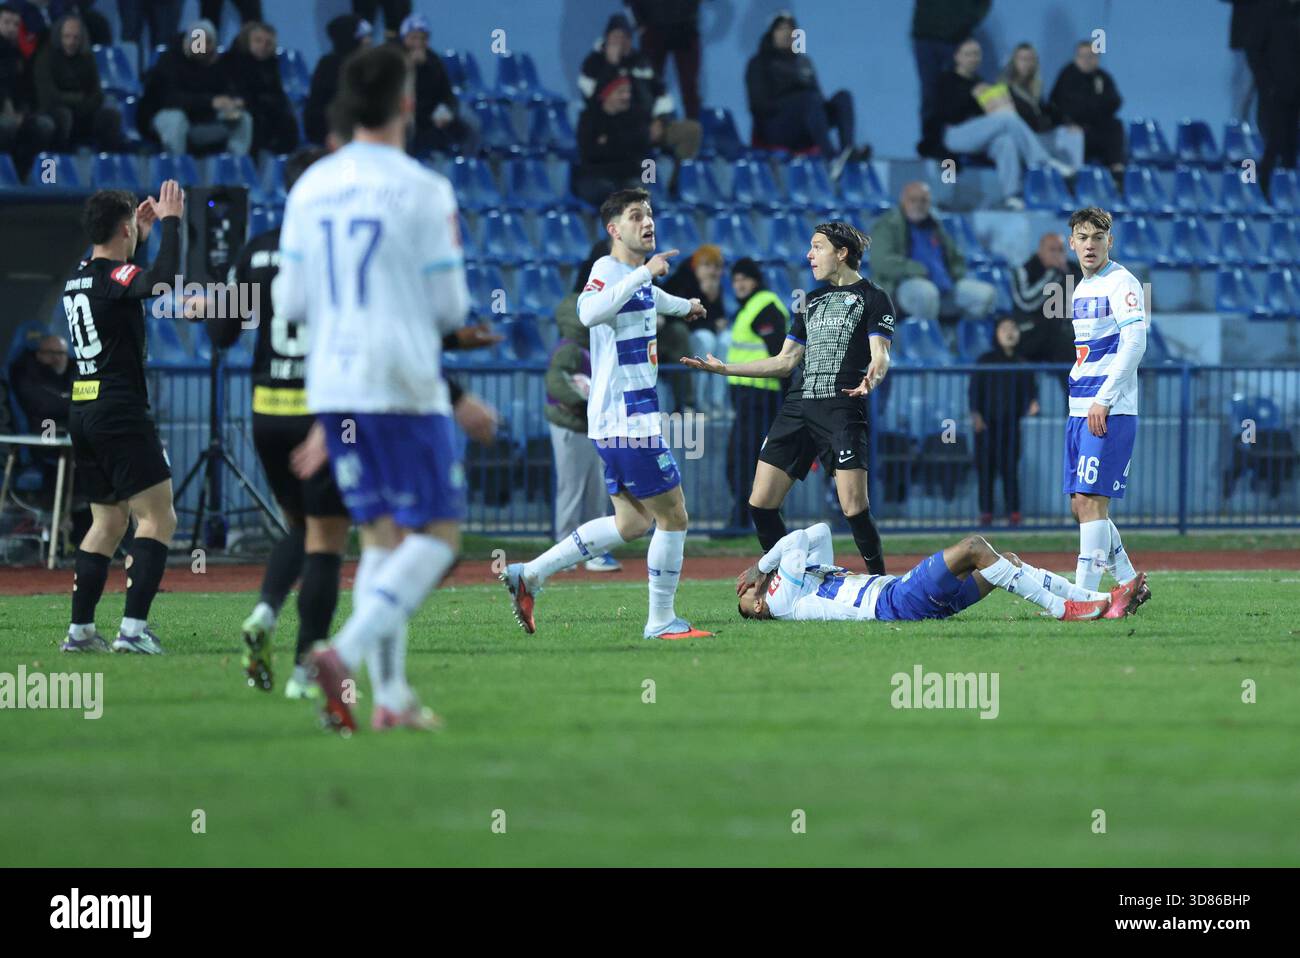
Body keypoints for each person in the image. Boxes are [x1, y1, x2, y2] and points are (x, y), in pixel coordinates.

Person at [272, 44, 470, 732]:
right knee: (439, 535)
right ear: (407, 103)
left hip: (333, 386)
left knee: (381, 539)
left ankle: (390, 699)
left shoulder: (310, 187)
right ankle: (343, 654)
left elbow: (291, 301)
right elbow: (450, 307)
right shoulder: (424, 188)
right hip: (402, 380)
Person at [502, 187, 713, 641]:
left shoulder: (637, 279)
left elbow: (657, 299)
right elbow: (589, 311)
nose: (648, 222)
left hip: (624, 421)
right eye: (637, 215)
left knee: (632, 523)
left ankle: (530, 574)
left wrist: (688, 306)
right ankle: (660, 621)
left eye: (651, 214)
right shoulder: (607, 270)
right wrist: (645, 275)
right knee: (674, 516)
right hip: (626, 421)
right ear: (615, 229)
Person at [684, 221, 895, 574]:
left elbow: (881, 353)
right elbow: (785, 362)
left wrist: (875, 373)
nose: (809, 255)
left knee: (853, 507)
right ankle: (790, 577)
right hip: (798, 406)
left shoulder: (873, 297)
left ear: (841, 253)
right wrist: (725, 369)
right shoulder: (809, 302)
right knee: (760, 503)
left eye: (817, 247)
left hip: (841, 406)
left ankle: (882, 583)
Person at [59, 180, 187, 655]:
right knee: (158, 517)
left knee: (107, 523)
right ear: (124, 226)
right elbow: (161, 282)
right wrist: (172, 223)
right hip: (119, 410)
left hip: (83, 409)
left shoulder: (79, 276)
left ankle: (80, 633)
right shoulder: (114, 279)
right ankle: (133, 633)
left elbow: (118, 281)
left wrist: (142, 237)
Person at [736, 523, 1147, 623]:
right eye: (751, 599)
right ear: (758, 609)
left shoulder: (807, 580)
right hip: (895, 602)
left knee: (1006, 561)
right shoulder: (782, 602)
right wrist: (761, 566)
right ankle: (1063, 610)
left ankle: (1099, 601)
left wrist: (767, 568)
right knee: (973, 548)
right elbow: (791, 544)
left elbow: (818, 533)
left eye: (751, 590)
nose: (756, 594)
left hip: (905, 598)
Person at [1064, 206, 1147, 598]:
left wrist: (1104, 399)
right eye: (1083, 237)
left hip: (1107, 409)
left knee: (1092, 501)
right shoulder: (1081, 287)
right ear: (1072, 243)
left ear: (1109, 241)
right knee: (1080, 506)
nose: (1090, 245)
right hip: (1080, 408)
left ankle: (1085, 598)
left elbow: (1135, 342)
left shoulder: (1121, 282)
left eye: (1098, 237)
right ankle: (1130, 582)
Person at [927, 37, 1072, 209]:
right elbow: (944, 113)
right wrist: (970, 94)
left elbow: (985, 115)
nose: (973, 58)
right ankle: (1042, 161)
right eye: (968, 54)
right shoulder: (946, 79)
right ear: (957, 57)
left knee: (1006, 142)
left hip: (978, 136)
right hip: (954, 134)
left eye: (976, 54)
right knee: (1007, 117)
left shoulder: (980, 82)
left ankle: (1011, 195)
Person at [545, 245, 621, 573]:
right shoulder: (572, 346)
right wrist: (586, 402)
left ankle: (590, 551)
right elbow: (556, 385)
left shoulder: (588, 345)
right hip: (570, 423)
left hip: (588, 424)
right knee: (572, 489)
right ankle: (565, 553)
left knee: (592, 489)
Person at [745, 10, 863, 176]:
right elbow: (757, 105)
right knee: (807, 99)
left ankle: (847, 153)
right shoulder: (758, 63)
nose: (786, 34)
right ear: (772, 33)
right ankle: (830, 158)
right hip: (776, 128)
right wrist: (792, 98)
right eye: (781, 29)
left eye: (790, 30)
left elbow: (818, 100)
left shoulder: (803, 63)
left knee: (843, 97)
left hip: (806, 123)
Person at [578, 14, 700, 166]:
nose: (621, 42)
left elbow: (662, 95)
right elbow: (593, 102)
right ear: (607, 38)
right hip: (615, 129)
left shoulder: (641, 62)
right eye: (616, 37)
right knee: (636, 140)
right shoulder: (593, 63)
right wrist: (611, 65)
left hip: (648, 125)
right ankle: (642, 181)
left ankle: (674, 184)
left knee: (691, 130)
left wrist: (661, 121)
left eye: (626, 37)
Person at [871, 181, 996, 327]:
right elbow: (880, 261)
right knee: (927, 294)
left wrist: (955, 273)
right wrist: (914, 269)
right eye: (913, 200)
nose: (918, 204)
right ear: (903, 201)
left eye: (924, 200)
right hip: (902, 287)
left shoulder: (935, 224)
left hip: (943, 285)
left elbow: (956, 257)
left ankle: (958, 340)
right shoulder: (888, 224)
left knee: (985, 295)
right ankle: (928, 343)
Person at [723, 258, 788, 529]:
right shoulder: (750, 307)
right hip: (750, 399)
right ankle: (748, 518)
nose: (739, 284)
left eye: (744, 279)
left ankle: (742, 520)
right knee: (746, 461)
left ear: (756, 280)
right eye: (736, 279)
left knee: (741, 461)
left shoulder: (765, 306)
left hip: (762, 398)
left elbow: (781, 356)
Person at [137, 18, 253, 156]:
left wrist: (234, 101)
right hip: (162, 116)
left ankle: (233, 168)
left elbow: (231, 89)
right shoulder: (169, 61)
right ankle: (177, 167)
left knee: (242, 118)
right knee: (174, 119)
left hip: (203, 119)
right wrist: (211, 102)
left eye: (208, 42)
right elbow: (169, 99)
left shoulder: (218, 62)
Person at [969, 316, 1039, 526]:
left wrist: (1034, 402)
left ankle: (1013, 512)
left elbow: (1031, 391)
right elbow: (974, 391)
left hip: (1011, 425)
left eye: (1013, 328)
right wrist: (976, 415)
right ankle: (986, 512)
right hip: (986, 426)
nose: (1010, 333)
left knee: (1010, 469)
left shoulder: (1022, 363)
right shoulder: (985, 360)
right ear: (996, 333)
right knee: (985, 470)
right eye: (1004, 329)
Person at [32, 14, 127, 152]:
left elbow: (97, 95)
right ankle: (60, 164)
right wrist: (78, 98)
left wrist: (81, 103)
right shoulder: (45, 57)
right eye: (67, 36)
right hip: (56, 113)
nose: (71, 42)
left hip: (84, 113)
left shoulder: (87, 58)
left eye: (76, 37)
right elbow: (48, 97)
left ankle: (108, 166)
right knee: (63, 116)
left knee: (110, 116)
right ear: (59, 35)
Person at [911, 0, 990, 145]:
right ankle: (931, 143)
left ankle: (962, 143)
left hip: (956, 37)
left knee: (960, 89)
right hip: (925, 35)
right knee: (929, 92)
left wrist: (968, 19)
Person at [400, 13, 477, 156]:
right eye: (414, 38)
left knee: (468, 129)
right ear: (405, 38)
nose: (418, 43)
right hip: (405, 121)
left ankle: (465, 170)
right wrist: (413, 66)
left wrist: (445, 112)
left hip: (432, 120)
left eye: (423, 38)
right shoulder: (394, 60)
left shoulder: (434, 61)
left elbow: (448, 96)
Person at [220, 20, 299, 156]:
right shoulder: (231, 63)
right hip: (241, 110)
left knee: (288, 119)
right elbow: (236, 94)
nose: (263, 46)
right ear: (247, 41)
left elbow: (277, 94)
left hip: (266, 110)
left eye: (268, 43)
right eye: (258, 41)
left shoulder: (272, 65)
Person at [571, 75, 651, 210]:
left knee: (640, 192)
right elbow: (590, 153)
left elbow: (643, 149)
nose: (626, 96)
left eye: (628, 92)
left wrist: (609, 142)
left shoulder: (635, 117)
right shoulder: (589, 118)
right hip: (594, 179)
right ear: (606, 94)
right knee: (609, 193)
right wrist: (622, 144)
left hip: (627, 177)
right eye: (621, 92)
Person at [999, 42, 1083, 171]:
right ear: (1014, 62)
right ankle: (1053, 167)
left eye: (1030, 59)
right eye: (1022, 59)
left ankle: (1076, 173)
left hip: (1041, 134)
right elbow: (1016, 120)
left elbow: (1050, 111)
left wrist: (1067, 122)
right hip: (1024, 138)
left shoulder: (1035, 88)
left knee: (1073, 133)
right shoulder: (1004, 88)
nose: (1027, 64)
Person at [1048, 41, 1126, 178]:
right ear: (1076, 58)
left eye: (1091, 56)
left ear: (1097, 58)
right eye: (1082, 56)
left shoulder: (1102, 77)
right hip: (1074, 129)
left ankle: (1117, 170)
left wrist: (1094, 105)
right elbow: (1059, 105)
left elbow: (1115, 102)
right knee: (1074, 134)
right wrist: (1069, 122)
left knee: (1115, 126)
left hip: (1097, 128)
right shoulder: (1067, 75)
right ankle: (1074, 179)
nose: (1086, 60)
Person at [663, 244, 726, 412]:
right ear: (695, 265)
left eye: (716, 267)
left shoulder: (714, 285)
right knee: (706, 338)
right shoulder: (680, 281)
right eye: (707, 265)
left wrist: (711, 302)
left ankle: (717, 402)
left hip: (702, 333)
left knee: (726, 341)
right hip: (679, 338)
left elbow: (718, 318)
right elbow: (686, 320)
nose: (712, 271)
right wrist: (706, 298)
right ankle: (696, 400)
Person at [1012, 231, 1076, 396]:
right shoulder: (1023, 271)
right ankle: (1028, 405)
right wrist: (1053, 276)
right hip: (1029, 335)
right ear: (1040, 251)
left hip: (1061, 339)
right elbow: (1026, 303)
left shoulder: (1074, 271)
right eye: (1052, 250)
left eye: (1060, 250)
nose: (1057, 255)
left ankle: (1076, 411)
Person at [0, 2, 57, 178]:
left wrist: (24, 112)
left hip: (19, 114)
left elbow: (27, 91)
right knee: (7, 126)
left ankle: (27, 176)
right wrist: (7, 108)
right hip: (4, 115)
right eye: (7, 23)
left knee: (44, 125)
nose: (11, 28)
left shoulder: (20, 57)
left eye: (16, 24)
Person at [624, 0, 701, 120]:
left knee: (689, 86)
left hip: (686, 27)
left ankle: (693, 129)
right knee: (648, 83)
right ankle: (649, 128)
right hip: (653, 28)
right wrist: (638, 23)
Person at [303, 13, 371, 145]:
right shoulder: (329, 66)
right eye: (363, 37)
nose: (368, 41)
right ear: (349, 39)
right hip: (334, 138)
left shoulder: (368, 64)